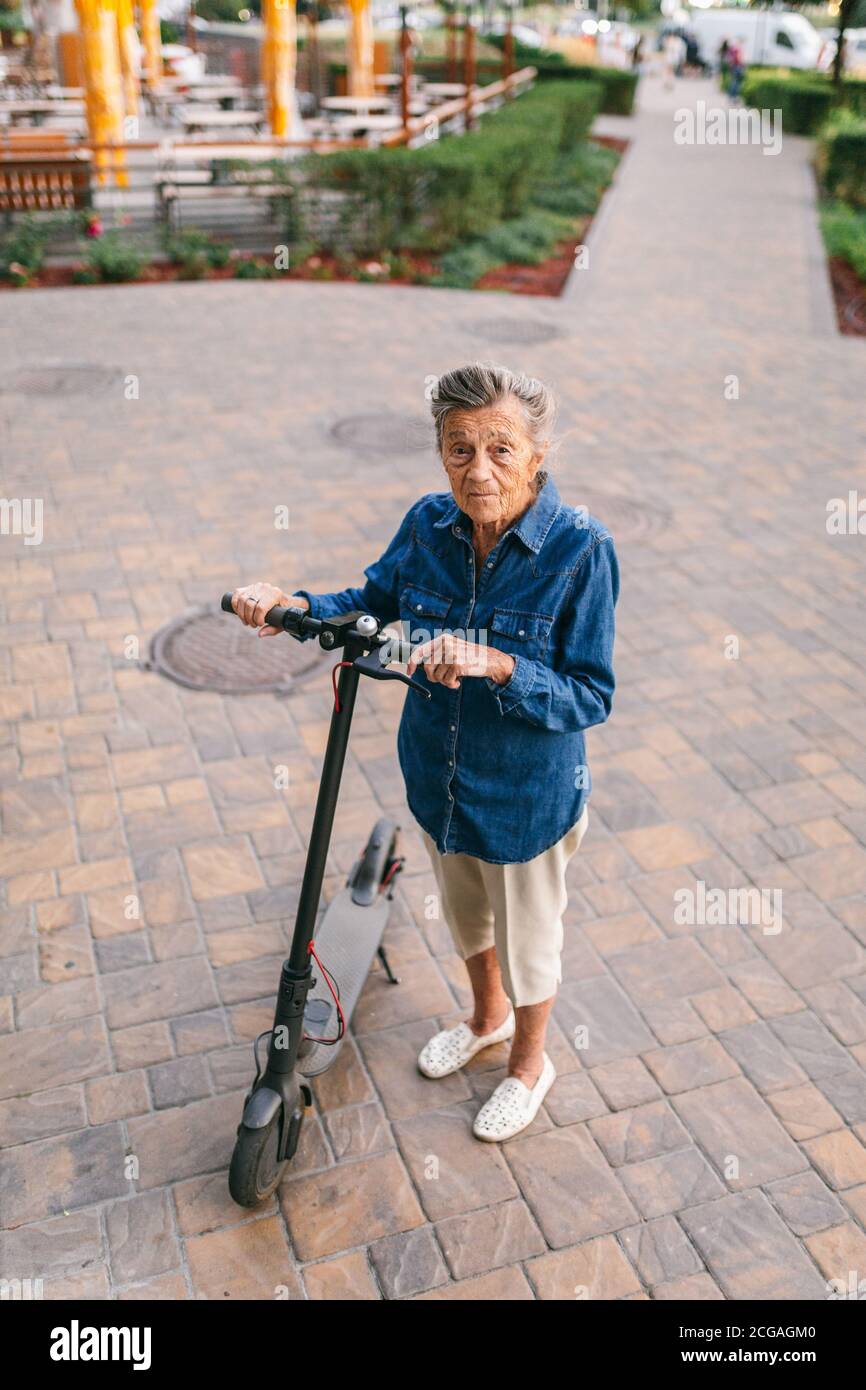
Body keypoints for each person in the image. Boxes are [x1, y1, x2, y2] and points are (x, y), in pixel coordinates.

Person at [229, 364, 619, 1142]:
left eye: (501, 449)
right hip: (438, 774)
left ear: (538, 453)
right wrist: (295, 606)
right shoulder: (426, 526)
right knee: (468, 917)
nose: (479, 470)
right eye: (459, 449)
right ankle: (484, 1020)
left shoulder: (582, 550)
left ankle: (528, 1064)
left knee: (529, 942)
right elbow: (372, 602)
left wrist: (500, 666)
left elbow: (590, 694)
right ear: (441, 454)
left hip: (526, 795)